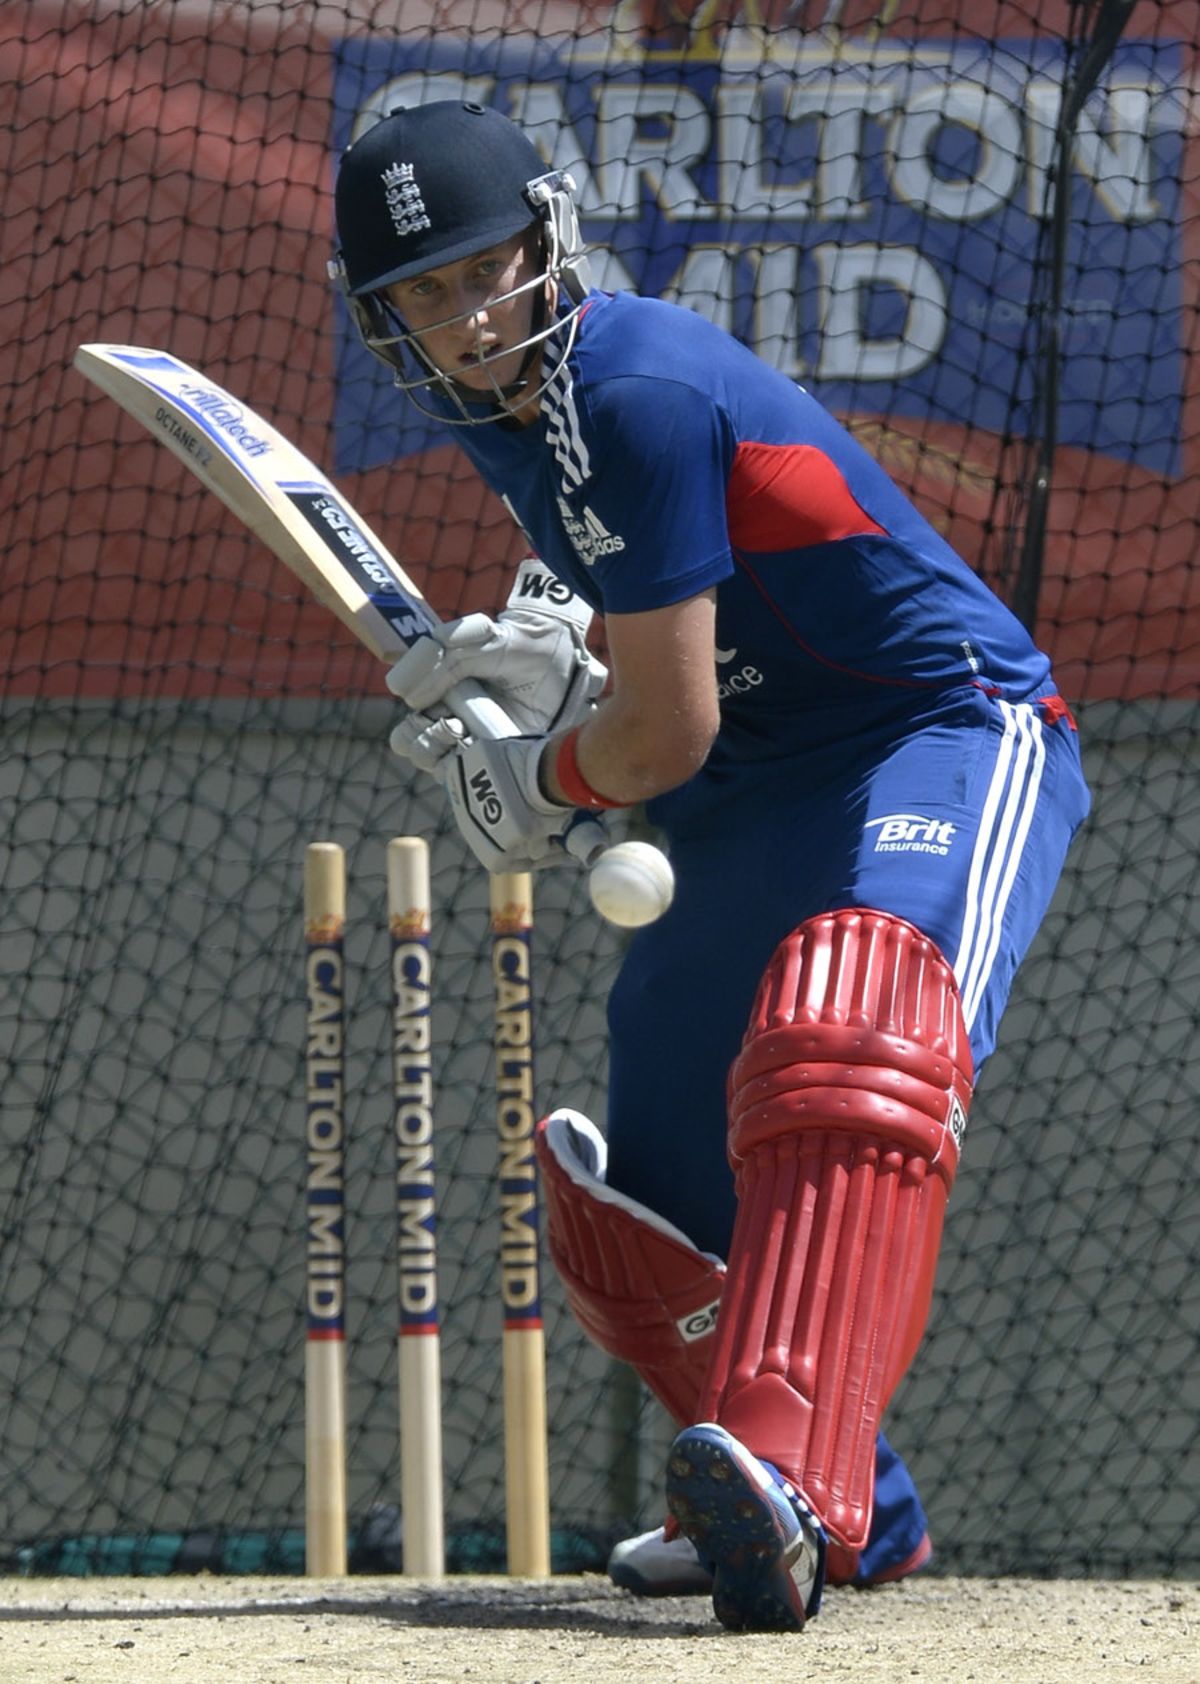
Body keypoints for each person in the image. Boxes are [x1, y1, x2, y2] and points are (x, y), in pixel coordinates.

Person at [331, 100, 1091, 1632]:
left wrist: (538, 775)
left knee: (852, 1018)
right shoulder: (502, 412)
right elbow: (652, 632)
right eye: (421, 295)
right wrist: (548, 664)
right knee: (650, 1202)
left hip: (934, 729)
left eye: (486, 270)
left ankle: (788, 1474)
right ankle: (813, 1500)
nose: (465, 318)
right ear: (381, 317)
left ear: (549, 237)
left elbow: (659, 735)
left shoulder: (634, 382)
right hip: (757, 780)